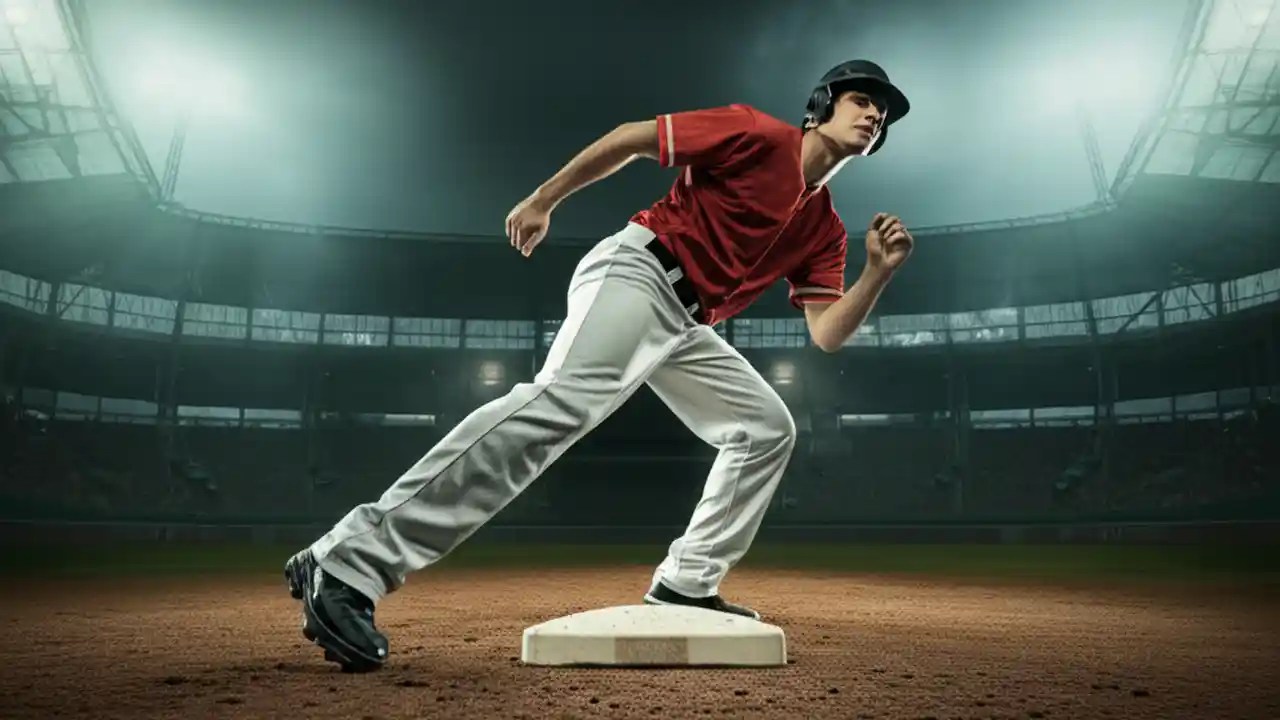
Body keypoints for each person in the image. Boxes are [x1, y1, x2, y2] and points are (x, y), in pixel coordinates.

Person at [286, 59, 916, 672]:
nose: (873, 116)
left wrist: (876, 274)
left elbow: (826, 333)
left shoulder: (825, 228)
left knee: (766, 429)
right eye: (862, 100)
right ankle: (349, 562)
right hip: (640, 270)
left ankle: (687, 583)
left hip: (686, 323)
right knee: (559, 405)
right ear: (821, 105)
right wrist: (544, 199)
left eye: (882, 113)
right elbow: (632, 139)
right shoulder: (757, 133)